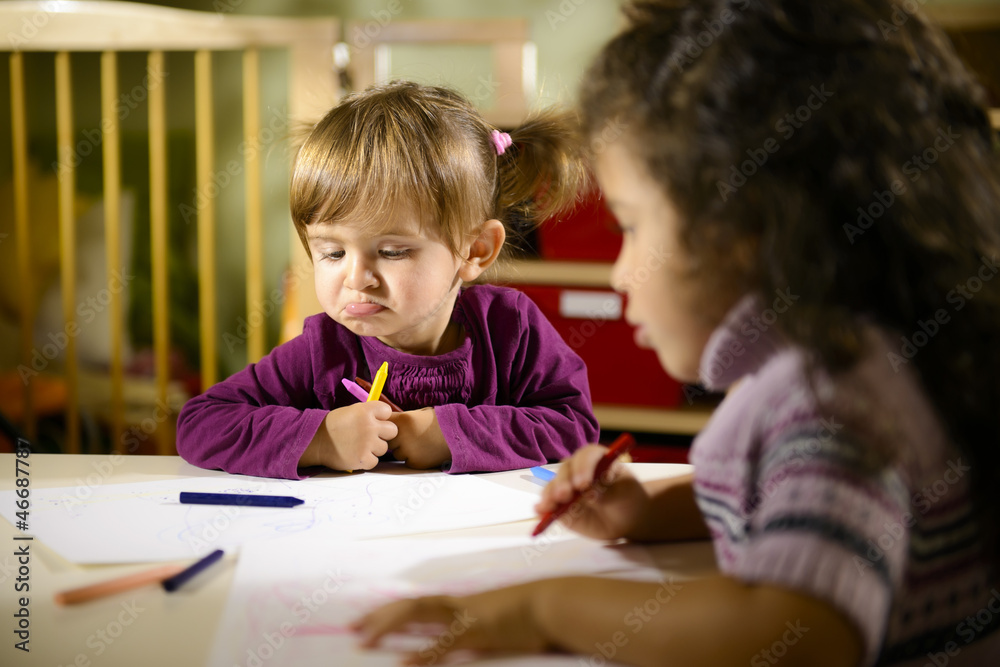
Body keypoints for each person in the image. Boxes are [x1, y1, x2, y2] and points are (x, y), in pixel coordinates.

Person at [352, 1, 1000, 665]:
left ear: (746, 231)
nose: (622, 273)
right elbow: (802, 501)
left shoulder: (833, 395)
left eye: (630, 227)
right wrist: (652, 511)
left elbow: (801, 630)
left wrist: (545, 606)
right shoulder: (856, 365)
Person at [176, 81, 599, 478]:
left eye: (392, 252)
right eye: (333, 252)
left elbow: (575, 427)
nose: (357, 278)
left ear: (475, 250)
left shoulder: (510, 328)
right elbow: (200, 424)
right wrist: (319, 438)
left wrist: (451, 434)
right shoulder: (322, 350)